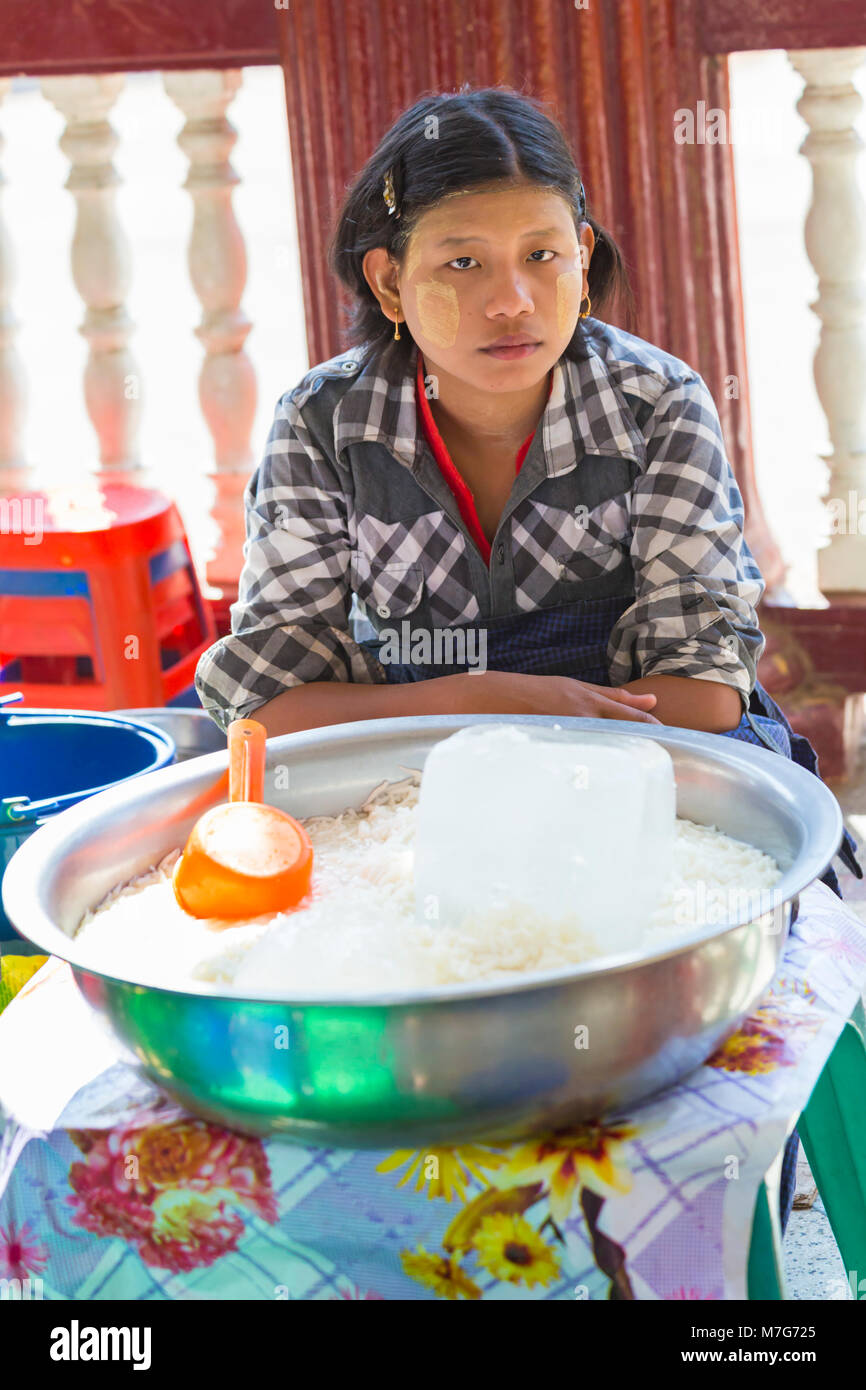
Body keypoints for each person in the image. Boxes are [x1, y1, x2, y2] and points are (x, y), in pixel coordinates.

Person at [194, 85, 861, 1238]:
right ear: (388, 282)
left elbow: (700, 695)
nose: (510, 299)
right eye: (458, 263)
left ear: (583, 255)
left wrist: (496, 726)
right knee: (343, 979)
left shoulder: (656, 404)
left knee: (697, 982)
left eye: (544, 254)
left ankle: (697, 1220)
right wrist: (489, 700)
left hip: (651, 759)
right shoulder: (324, 426)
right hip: (398, 776)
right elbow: (263, 714)